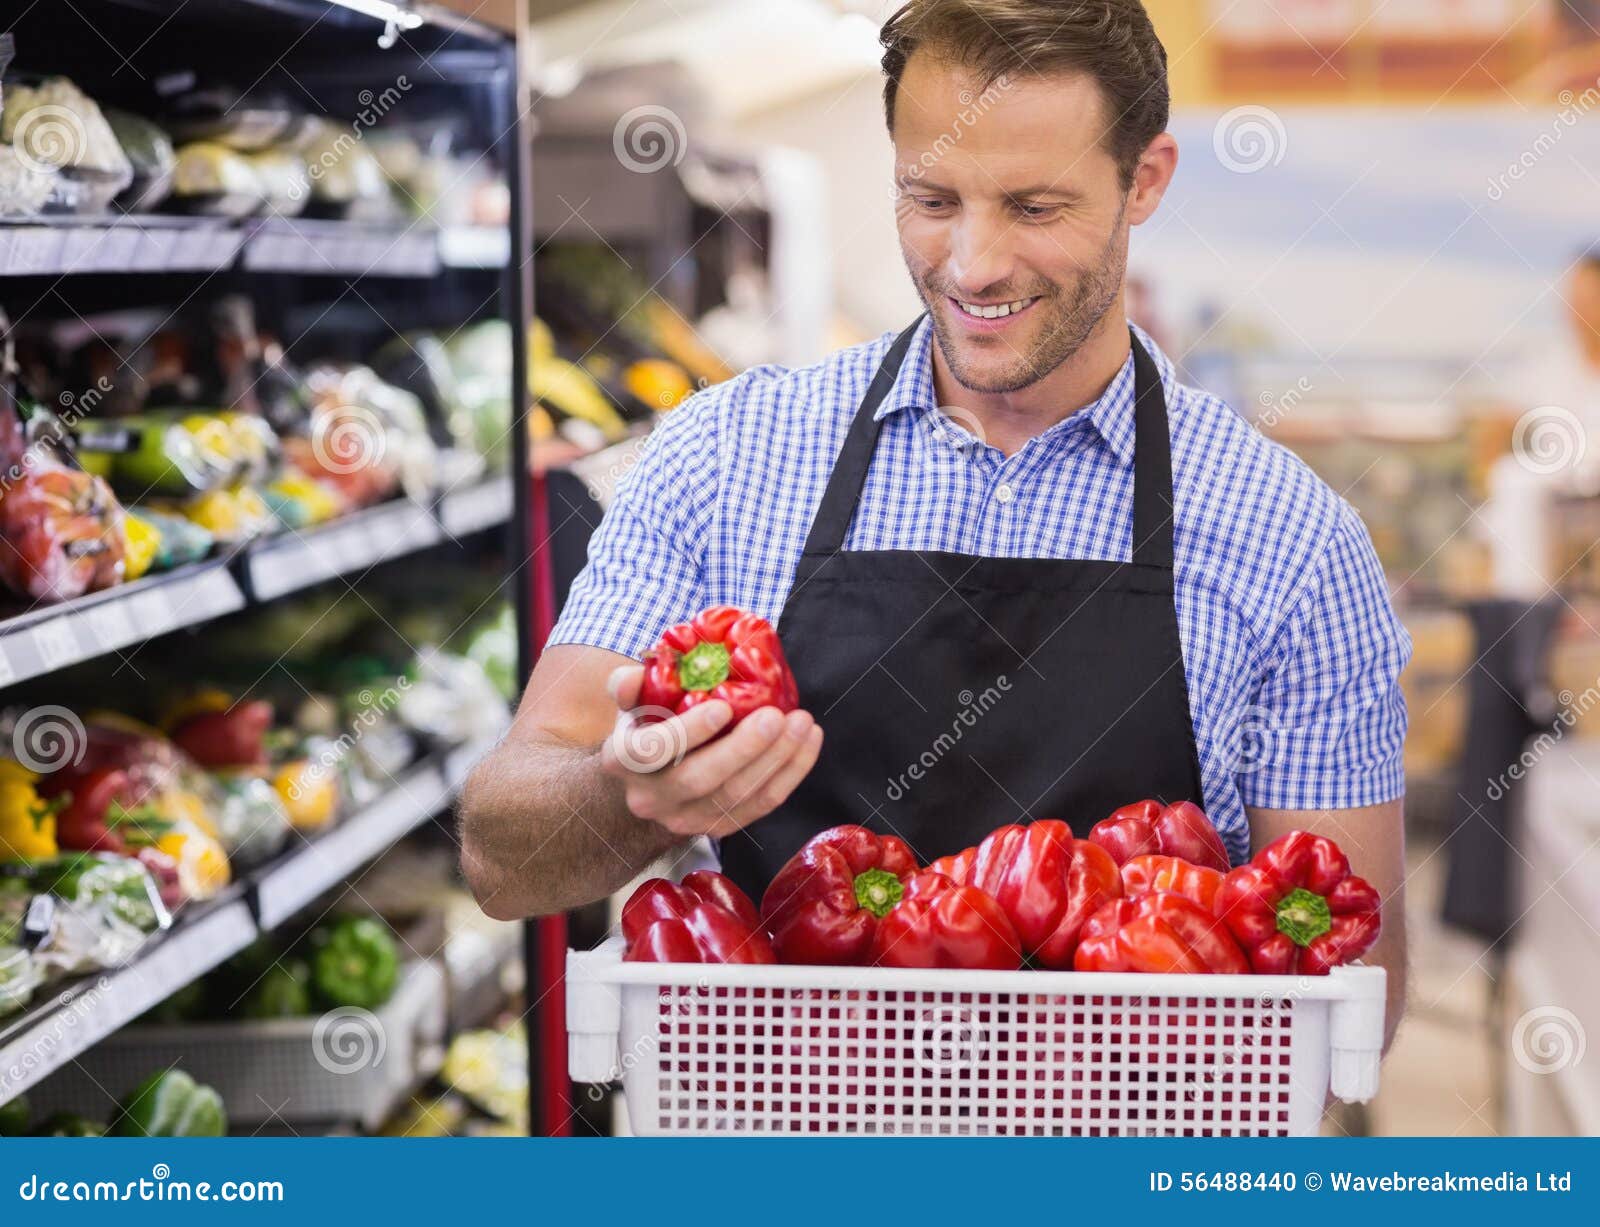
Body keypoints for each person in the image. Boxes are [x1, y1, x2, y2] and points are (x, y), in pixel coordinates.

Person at [462, 0, 1411, 1048]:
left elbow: (1348, 999)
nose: (971, 264)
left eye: (1034, 207)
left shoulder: (1291, 544)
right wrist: (632, 792)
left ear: (1144, 180)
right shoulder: (724, 461)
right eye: (930, 198)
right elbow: (502, 859)